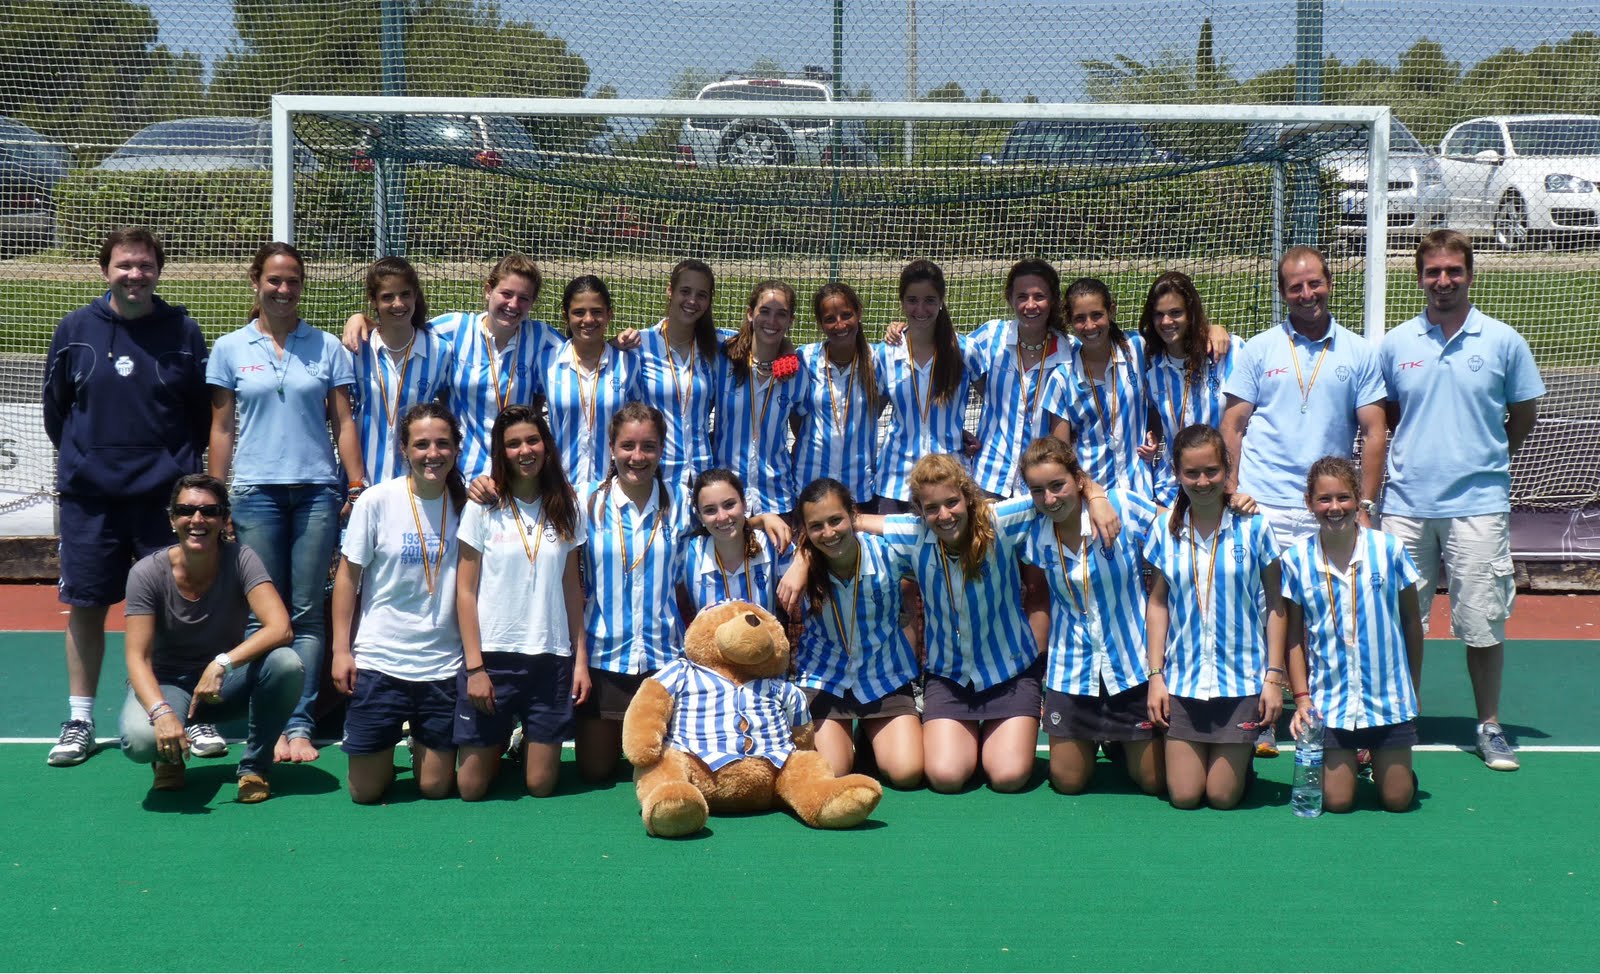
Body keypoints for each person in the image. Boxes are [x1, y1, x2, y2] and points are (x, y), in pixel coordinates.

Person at [42, 227, 211, 767]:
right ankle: (80, 719)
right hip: (91, 501)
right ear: (105, 270)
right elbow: (56, 410)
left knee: (178, 607)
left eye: (144, 265)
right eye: (124, 265)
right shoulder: (75, 330)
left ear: (158, 271)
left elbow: (200, 417)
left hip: (165, 502)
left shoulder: (183, 330)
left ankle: (191, 711)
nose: (134, 275)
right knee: (88, 606)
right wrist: (90, 462)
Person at [1379, 229, 1544, 772]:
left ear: (1470, 275)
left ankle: (1490, 727)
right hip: (1405, 505)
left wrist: (1490, 456)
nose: (1443, 281)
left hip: (1478, 504)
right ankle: (1400, 718)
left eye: (1454, 271)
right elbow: (1388, 417)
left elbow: (1522, 415)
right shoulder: (1397, 343)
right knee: (1400, 620)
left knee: (1482, 621)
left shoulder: (1503, 341)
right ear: (1419, 277)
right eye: (1433, 272)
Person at [207, 242, 364, 764]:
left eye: (293, 280)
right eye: (274, 279)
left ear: (302, 285)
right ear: (256, 282)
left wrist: (356, 483)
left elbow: (343, 423)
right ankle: (268, 726)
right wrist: (216, 496)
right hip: (254, 494)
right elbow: (223, 427)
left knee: (307, 614)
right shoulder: (229, 349)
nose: (283, 289)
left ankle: (299, 726)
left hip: (317, 491)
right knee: (262, 619)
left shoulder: (326, 348)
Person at [117, 474, 299, 802]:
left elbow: (280, 627)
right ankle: (167, 758)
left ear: (224, 519)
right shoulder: (145, 573)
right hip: (169, 686)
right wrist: (160, 712)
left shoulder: (242, 558)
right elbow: (137, 658)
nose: (197, 519)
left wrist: (223, 663)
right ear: (172, 519)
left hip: (222, 686)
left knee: (286, 663)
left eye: (209, 511)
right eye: (186, 510)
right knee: (140, 740)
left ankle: (255, 767)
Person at [869, 454, 1044, 793]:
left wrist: (1095, 496)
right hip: (949, 677)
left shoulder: (999, 521)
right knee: (946, 777)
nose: (944, 515)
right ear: (919, 510)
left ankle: (996, 742)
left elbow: (1054, 495)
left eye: (952, 502)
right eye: (932, 507)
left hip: (1010, 673)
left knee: (1007, 777)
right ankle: (973, 742)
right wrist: (802, 562)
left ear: (967, 496)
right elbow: (852, 522)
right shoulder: (914, 533)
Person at [1145, 424, 1287, 810]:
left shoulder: (1254, 525)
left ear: (1227, 468)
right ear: (1177, 473)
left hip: (1239, 682)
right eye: (1192, 473)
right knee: (1185, 797)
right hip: (1183, 682)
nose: (1203, 481)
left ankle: (1241, 765)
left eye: (1212, 471)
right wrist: (1156, 677)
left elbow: (1275, 602)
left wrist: (1274, 678)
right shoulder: (1163, 529)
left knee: (1223, 798)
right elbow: (1157, 604)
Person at [330, 403, 466, 803]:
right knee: (365, 793)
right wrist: (341, 650)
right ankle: (386, 752)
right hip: (381, 662)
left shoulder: (468, 504)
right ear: (404, 450)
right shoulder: (376, 501)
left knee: (436, 788)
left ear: (456, 450)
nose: (433, 453)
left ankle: (417, 750)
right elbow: (347, 577)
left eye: (443, 443)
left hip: (441, 665)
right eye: (421, 444)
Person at [455, 405, 589, 800]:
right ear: (502, 452)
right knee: (470, 789)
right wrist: (475, 666)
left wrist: (579, 660)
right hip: (493, 659)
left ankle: (519, 744)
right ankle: (497, 743)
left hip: (548, 658)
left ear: (546, 446)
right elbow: (465, 591)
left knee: (541, 786)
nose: (524, 450)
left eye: (532, 440)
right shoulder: (482, 506)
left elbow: (571, 588)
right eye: (513, 444)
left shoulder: (567, 505)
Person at [1018, 437, 1163, 796]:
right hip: (1072, 671)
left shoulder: (1121, 506)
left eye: (1058, 485)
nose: (1049, 499)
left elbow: (1179, 522)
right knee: (1068, 783)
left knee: (1154, 782)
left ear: (1078, 479)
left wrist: (1230, 501)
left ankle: (1116, 743)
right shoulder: (1032, 534)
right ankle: (1100, 738)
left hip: (1131, 667)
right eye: (1038, 491)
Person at [1281, 456, 1424, 812]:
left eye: (1344, 498)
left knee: (1398, 800)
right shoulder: (1296, 559)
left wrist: (1412, 689)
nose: (1334, 508)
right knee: (1338, 801)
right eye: (1324, 499)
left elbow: (1410, 621)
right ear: (1309, 502)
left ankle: (1388, 769)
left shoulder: (1389, 550)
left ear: (1358, 498)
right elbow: (1294, 638)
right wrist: (1301, 699)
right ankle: (1355, 762)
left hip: (1387, 699)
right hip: (1332, 704)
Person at [1221, 245, 1387, 544]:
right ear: (1283, 293)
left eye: (1314, 283)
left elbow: (1374, 432)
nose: (1307, 294)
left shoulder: (1360, 352)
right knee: (1262, 593)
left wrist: (1365, 504)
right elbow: (1232, 425)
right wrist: (1231, 489)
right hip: (1262, 501)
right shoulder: (1260, 348)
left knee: (1327, 591)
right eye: (1296, 287)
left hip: (1328, 505)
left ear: (1330, 283)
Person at [574, 402, 697, 782]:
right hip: (603, 657)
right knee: (596, 771)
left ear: (662, 450)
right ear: (611, 447)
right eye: (628, 446)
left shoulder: (682, 502)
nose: (637, 457)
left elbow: (731, 521)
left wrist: (766, 518)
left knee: (662, 768)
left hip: (663, 659)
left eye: (649, 447)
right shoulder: (584, 502)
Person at [788, 478, 922, 788]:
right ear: (805, 530)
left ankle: (868, 737)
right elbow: (743, 532)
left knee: (907, 772)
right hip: (825, 679)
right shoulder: (799, 566)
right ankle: (850, 737)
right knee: (832, 772)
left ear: (853, 515)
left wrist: (862, 524)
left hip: (884, 676)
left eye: (836, 520)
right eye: (817, 526)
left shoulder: (888, 552)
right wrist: (800, 556)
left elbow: (924, 527)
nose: (829, 533)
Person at [874, 260, 981, 512]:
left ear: (942, 300)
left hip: (949, 480)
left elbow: (998, 402)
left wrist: (970, 435)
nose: (920, 309)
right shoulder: (885, 354)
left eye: (930, 300)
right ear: (901, 302)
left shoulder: (964, 351)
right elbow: (871, 414)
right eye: (912, 300)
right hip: (896, 481)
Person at [968, 260, 1074, 499]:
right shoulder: (991, 335)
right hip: (989, 478)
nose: (1030, 305)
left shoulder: (1071, 351)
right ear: (1010, 298)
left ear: (1054, 299)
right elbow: (945, 359)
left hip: (1043, 485)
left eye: (1039, 296)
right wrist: (903, 330)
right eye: (1022, 296)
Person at [1043, 277, 1154, 499]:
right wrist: (1092, 496)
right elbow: (1061, 454)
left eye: (1097, 315)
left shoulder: (1137, 349)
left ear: (1111, 311)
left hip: (1142, 492)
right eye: (1080, 319)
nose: (1090, 326)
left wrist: (1213, 330)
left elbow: (1179, 340)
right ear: (1069, 320)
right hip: (1094, 497)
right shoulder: (1062, 379)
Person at [345, 257, 453, 484]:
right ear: (373, 300)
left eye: (405, 294)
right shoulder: (356, 349)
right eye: (387, 297)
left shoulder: (440, 351)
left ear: (415, 295)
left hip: (415, 482)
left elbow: (449, 409)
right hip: (363, 481)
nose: (398, 304)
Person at [710, 280, 809, 513]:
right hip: (726, 496)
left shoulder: (797, 372)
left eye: (781, 315)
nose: (772, 322)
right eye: (764, 311)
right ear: (750, 314)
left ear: (790, 321)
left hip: (776, 497)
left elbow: (802, 430)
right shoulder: (723, 359)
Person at [1137, 271, 1234, 507]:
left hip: (1222, 485)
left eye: (1176, 313)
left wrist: (1216, 328)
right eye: (1159, 314)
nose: (1166, 322)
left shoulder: (1228, 354)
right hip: (1171, 489)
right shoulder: (1148, 363)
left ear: (1191, 314)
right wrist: (1153, 438)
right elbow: (1156, 421)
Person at [540, 276, 640, 487]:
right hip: (561, 485)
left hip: (613, 485)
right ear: (565, 316)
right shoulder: (546, 361)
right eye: (578, 312)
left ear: (609, 315)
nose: (588, 319)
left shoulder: (628, 363)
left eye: (596, 312)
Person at [792, 284, 883, 509]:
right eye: (830, 319)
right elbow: (795, 414)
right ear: (820, 323)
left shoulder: (878, 359)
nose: (840, 325)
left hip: (858, 485)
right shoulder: (805, 358)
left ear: (859, 313)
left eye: (846, 315)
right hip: (809, 479)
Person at [634, 259, 722, 489]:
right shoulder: (640, 344)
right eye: (685, 291)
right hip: (657, 474)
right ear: (670, 290)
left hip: (703, 475)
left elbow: (761, 336)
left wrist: (786, 348)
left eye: (701, 295)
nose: (692, 301)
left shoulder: (719, 344)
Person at [680, 468, 790, 617]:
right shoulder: (687, 553)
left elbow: (814, 553)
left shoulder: (769, 544)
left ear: (744, 504)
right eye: (710, 510)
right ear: (700, 517)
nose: (722, 517)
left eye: (729, 504)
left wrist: (802, 564)